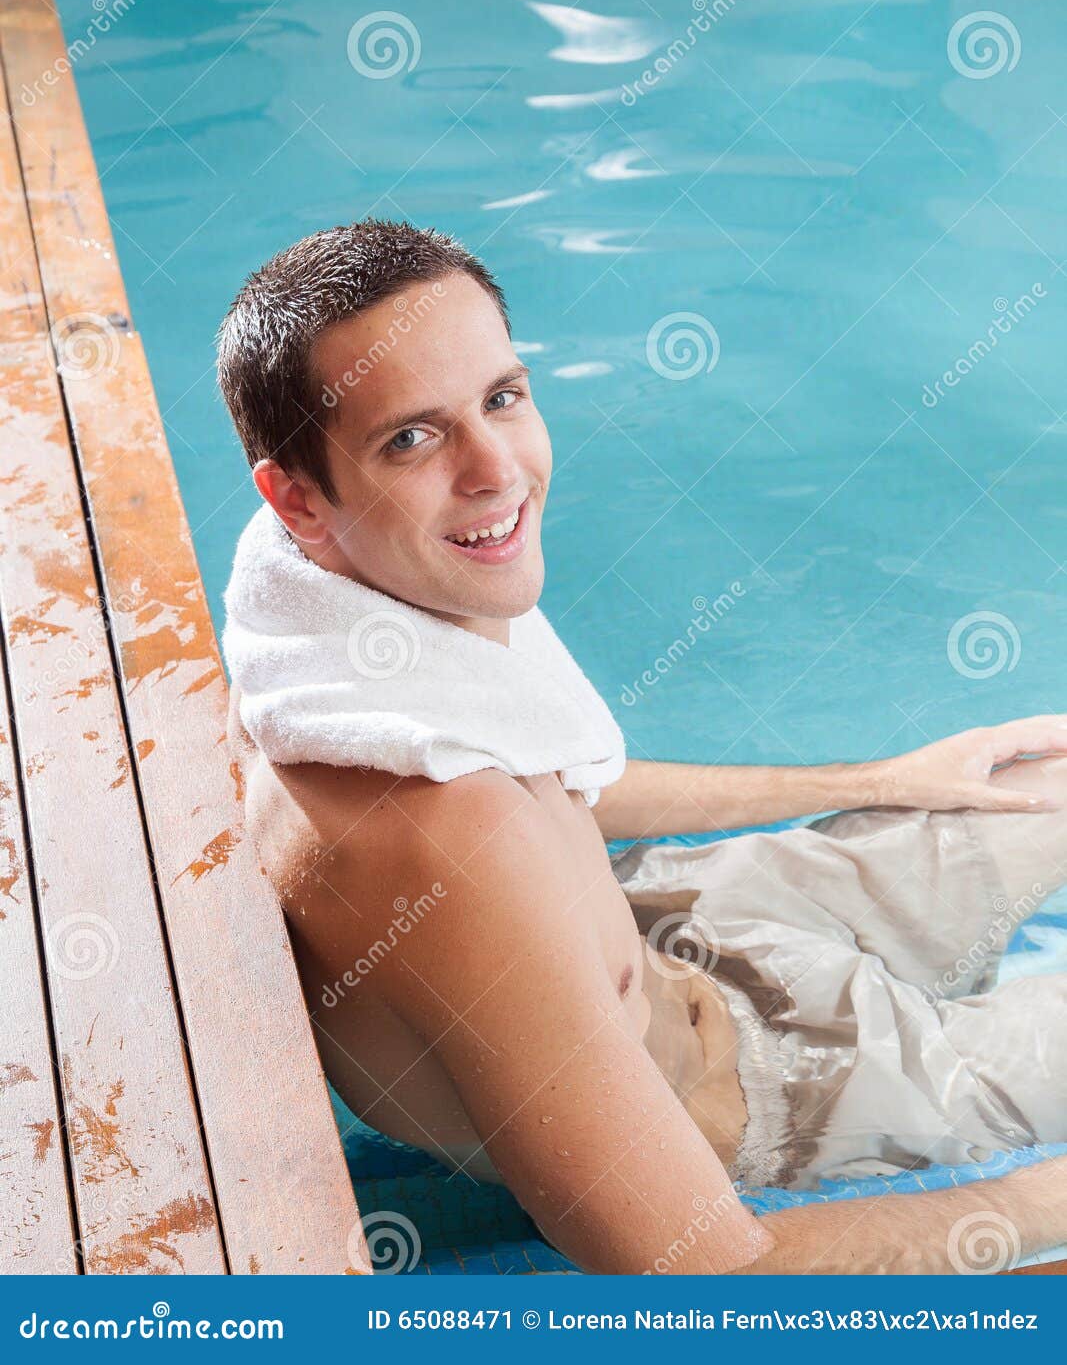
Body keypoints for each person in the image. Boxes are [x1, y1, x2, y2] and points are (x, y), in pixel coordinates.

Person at [216, 218, 1067, 1275]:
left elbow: (557, 773)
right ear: (294, 496)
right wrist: (1043, 1202)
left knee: (1046, 786)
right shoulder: (439, 843)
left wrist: (882, 780)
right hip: (781, 1093)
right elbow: (697, 1275)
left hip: (673, 918)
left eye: (501, 397)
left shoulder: (335, 628)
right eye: (411, 438)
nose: (499, 473)